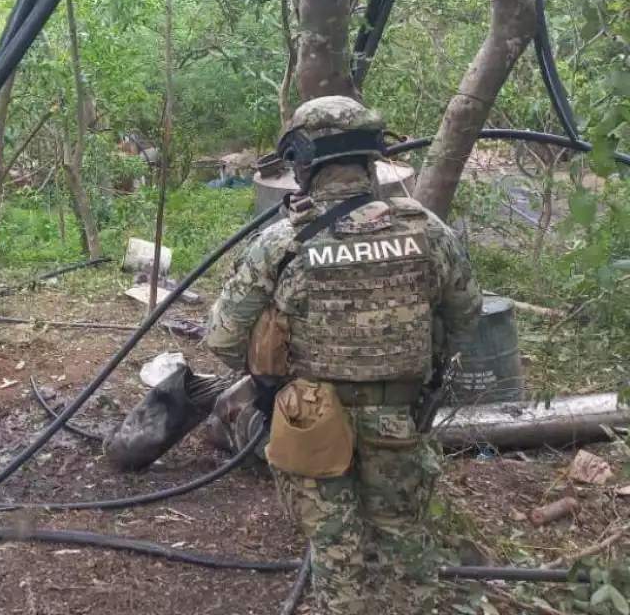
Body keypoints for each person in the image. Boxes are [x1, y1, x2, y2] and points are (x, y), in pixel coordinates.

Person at [201, 96, 482, 614]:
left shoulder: (282, 243)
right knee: (403, 541)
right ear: (372, 155)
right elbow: (467, 317)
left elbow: (221, 340)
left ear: (304, 160)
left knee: (335, 550)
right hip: (399, 417)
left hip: (311, 421)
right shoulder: (428, 231)